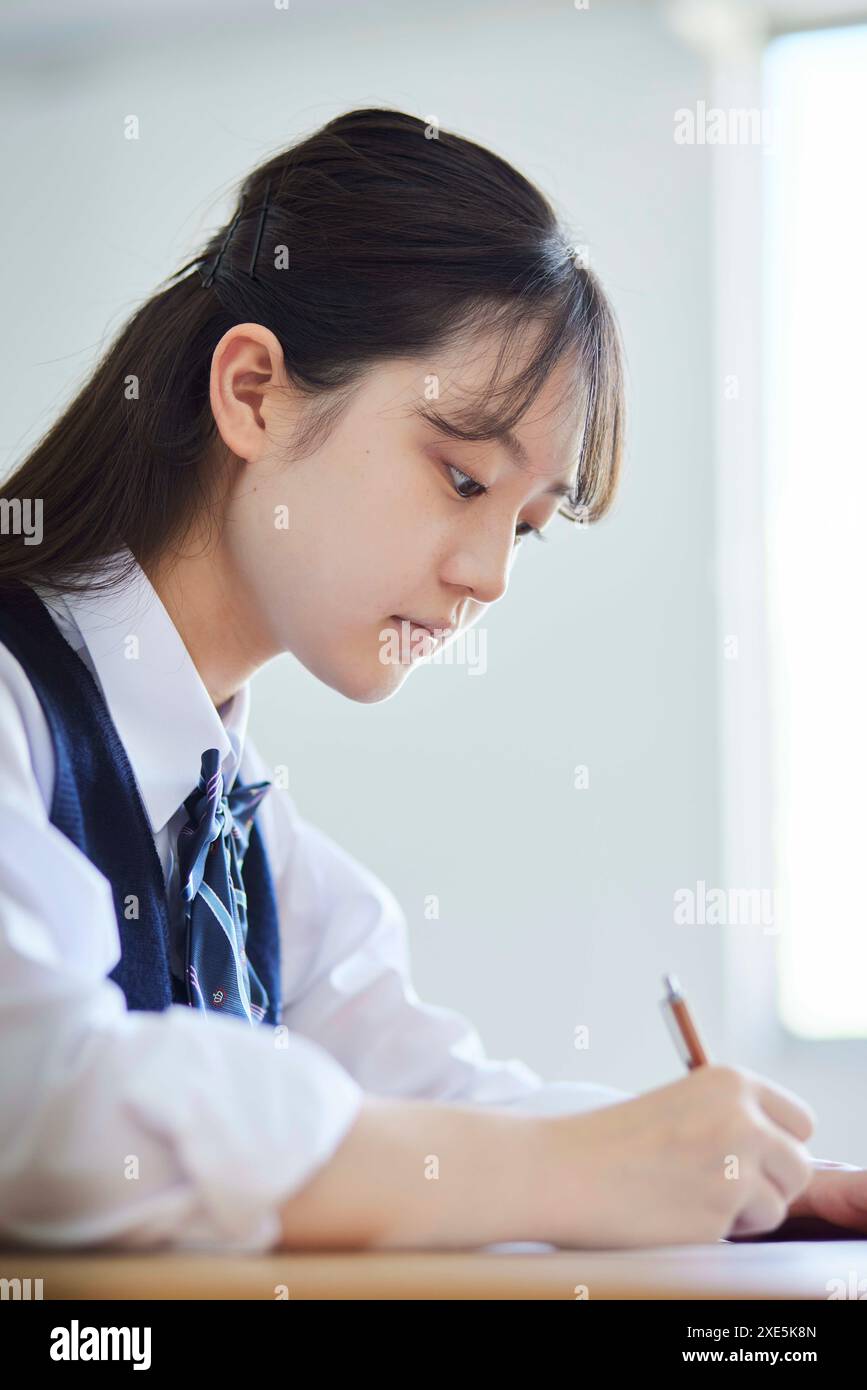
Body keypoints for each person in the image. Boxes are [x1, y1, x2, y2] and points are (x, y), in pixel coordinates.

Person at [0, 107, 859, 1254]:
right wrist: (569, 1171)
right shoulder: (17, 708)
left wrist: (721, 1172)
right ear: (253, 391)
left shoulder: (253, 837)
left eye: (529, 525)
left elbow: (433, 1099)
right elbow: (44, 1104)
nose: (492, 576)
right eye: (462, 478)